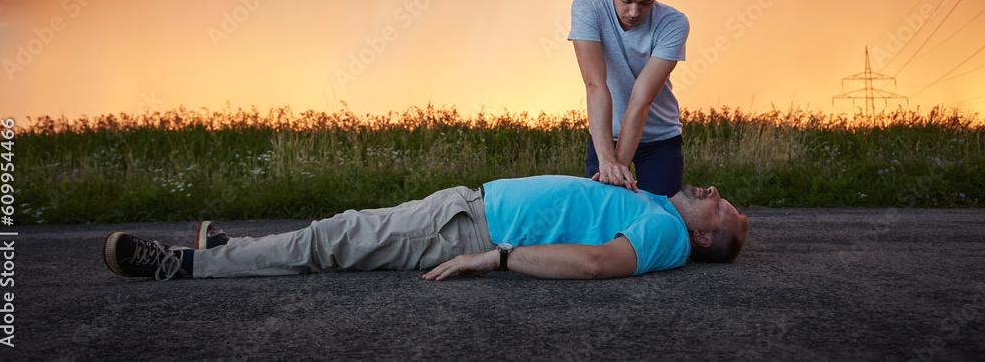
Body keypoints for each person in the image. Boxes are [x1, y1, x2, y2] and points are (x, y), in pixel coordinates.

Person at [101, 175, 748, 282]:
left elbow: (595, 263)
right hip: (468, 206)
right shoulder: (660, 206)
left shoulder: (666, 236)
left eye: (726, 210)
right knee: (342, 231)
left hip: (471, 229)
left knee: (335, 239)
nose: (717, 194)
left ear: (706, 239)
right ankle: (231, 249)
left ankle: (184, 264)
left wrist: (496, 257)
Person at [568, 0, 690, 196]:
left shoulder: (674, 23)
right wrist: (607, 161)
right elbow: (594, 83)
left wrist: (619, 168)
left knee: (660, 218)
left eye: (645, 3)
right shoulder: (588, 5)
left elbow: (641, 98)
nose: (634, 12)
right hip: (606, 135)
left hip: (660, 138)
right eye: (626, 0)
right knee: (598, 219)